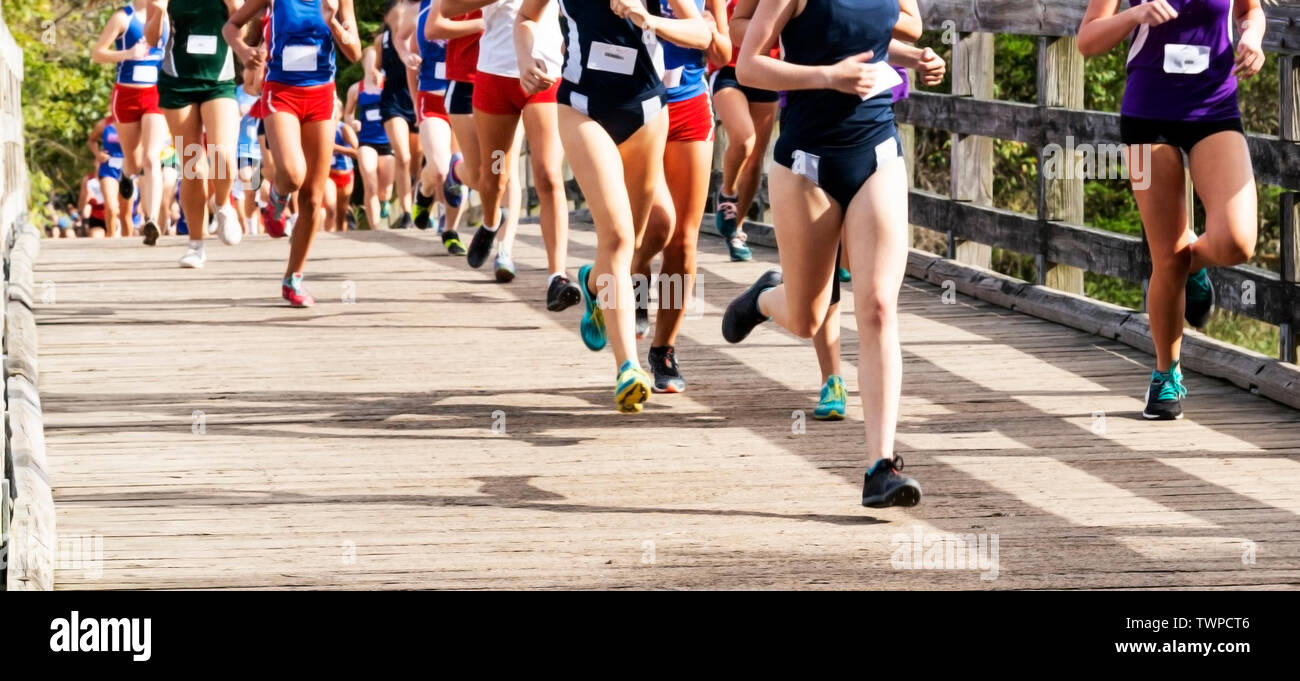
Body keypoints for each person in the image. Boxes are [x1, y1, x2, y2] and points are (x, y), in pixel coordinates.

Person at [722, 0, 947, 508]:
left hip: (877, 153)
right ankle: (764, 298)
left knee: (878, 307)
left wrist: (916, 59)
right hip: (806, 162)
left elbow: (873, 38)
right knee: (805, 317)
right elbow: (749, 64)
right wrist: (827, 76)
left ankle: (880, 466)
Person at [516, 0, 709, 412]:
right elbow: (526, 17)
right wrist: (524, 58)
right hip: (581, 107)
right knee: (619, 237)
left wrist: (649, 19)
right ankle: (629, 368)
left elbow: (705, 37)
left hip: (647, 113)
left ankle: (593, 282)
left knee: (640, 240)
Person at [1078, 1, 1265, 420]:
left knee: (1238, 242)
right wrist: (1134, 15)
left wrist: (1252, 36)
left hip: (1215, 109)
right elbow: (1087, 40)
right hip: (1147, 116)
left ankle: (1191, 264)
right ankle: (1167, 373)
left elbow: (1250, 11)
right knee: (1166, 255)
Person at [225, 0, 362, 307]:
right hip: (282, 92)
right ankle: (277, 198)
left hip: (321, 96)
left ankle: (293, 278)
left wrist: (333, 22)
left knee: (313, 196)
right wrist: (245, 52)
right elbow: (230, 26)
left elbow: (354, 53)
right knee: (292, 173)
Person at [444, 0, 579, 305]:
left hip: (545, 76)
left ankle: (557, 276)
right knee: (494, 176)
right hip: (495, 79)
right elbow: (445, 9)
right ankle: (491, 222)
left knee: (548, 175)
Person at [628, 0, 731, 393]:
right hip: (634, 103)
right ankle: (633, 282)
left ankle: (663, 350)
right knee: (653, 225)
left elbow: (721, 53)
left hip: (688, 102)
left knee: (684, 240)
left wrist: (685, 9)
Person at [146, 0, 245, 268]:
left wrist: (234, 6)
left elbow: (244, 33)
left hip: (219, 81)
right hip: (178, 83)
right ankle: (195, 246)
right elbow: (152, 40)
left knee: (222, 154)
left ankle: (222, 205)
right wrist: (159, 9)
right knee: (192, 167)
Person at [92, 0, 170, 246]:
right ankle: (127, 174)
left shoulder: (167, 14)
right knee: (135, 163)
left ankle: (151, 220)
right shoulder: (123, 17)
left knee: (151, 158)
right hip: (126, 95)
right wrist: (128, 54)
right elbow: (98, 53)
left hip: (156, 94)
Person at [707, 0, 779, 262]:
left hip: (765, 69)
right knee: (744, 139)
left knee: (755, 159)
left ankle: (736, 229)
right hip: (729, 70)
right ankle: (727, 194)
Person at [404, 0, 467, 244]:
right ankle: (424, 190)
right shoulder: (420, 9)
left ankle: (450, 230)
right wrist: (414, 102)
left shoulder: (474, 7)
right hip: (431, 101)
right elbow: (411, 59)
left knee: (459, 166)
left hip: (463, 99)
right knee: (440, 168)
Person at [425, 2, 485, 256]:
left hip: (507, 80)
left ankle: (503, 249)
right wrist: (482, 25)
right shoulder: (409, 13)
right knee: (475, 173)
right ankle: (453, 175)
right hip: (456, 86)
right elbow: (433, 29)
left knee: (502, 171)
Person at [377, 1, 420, 230]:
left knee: (418, 159)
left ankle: (417, 199)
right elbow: (374, 67)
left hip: (415, 97)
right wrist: (373, 74)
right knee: (402, 157)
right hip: (392, 102)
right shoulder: (381, 42)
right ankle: (406, 212)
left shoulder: (415, 32)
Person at [344, 49, 398, 230]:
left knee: (385, 191)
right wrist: (353, 122)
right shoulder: (355, 89)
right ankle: (376, 229)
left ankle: (385, 202)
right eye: (370, 61)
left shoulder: (388, 85)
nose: (373, 66)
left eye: (377, 62)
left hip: (387, 140)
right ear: (364, 63)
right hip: (366, 141)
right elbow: (348, 114)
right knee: (370, 181)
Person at [88, 115, 133, 238]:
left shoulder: (134, 122)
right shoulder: (103, 124)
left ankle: (129, 247)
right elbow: (92, 140)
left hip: (128, 170)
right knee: (112, 208)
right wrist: (98, 154)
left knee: (126, 215)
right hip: (108, 170)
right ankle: (111, 238)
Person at [235, 61, 264, 235]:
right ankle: (246, 225)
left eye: (255, 70)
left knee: (253, 192)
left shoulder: (265, 96)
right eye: (248, 69)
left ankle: (252, 225)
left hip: (261, 149)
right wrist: (238, 113)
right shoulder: (235, 93)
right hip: (242, 148)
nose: (251, 74)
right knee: (246, 179)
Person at [327, 105, 361, 233]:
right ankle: (326, 237)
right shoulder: (320, 129)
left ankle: (341, 240)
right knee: (330, 208)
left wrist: (335, 148)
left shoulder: (344, 129)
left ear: (340, 113)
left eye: (335, 111)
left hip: (344, 175)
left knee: (341, 214)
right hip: (327, 175)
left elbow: (358, 153)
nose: (333, 114)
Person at [79, 173, 110, 238]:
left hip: (111, 217)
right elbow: (82, 198)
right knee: (96, 240)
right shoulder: (88, 179)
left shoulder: (114, 176)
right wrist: (82, 213)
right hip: (96, 217)